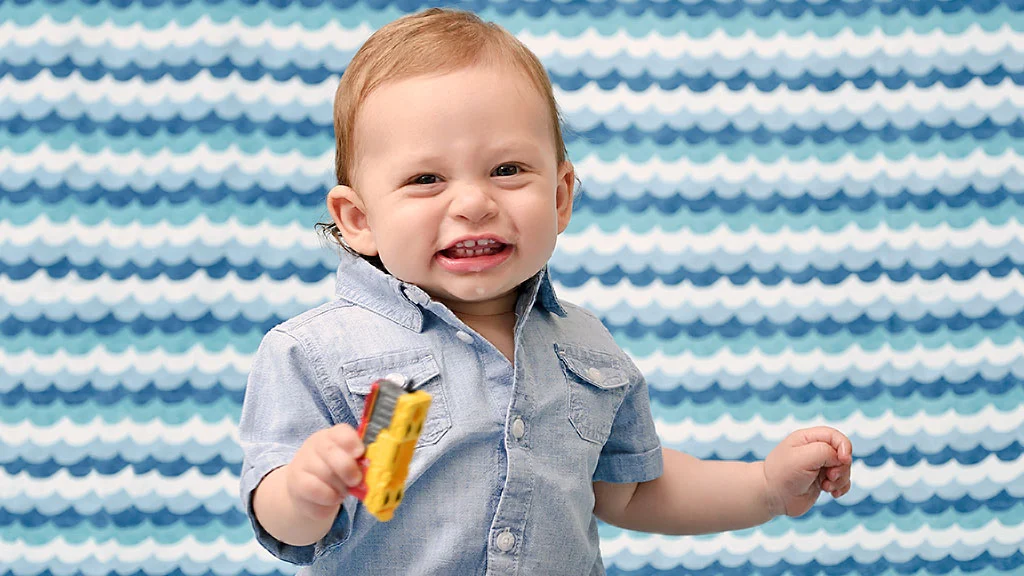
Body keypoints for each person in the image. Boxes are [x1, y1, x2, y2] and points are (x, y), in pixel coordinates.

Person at [238, 8, 854, 574]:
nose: (474, 202)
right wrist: (304, 492)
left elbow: (634, 489)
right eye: (426, 179)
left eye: (507, 170)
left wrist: (765, 488)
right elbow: (279, 519)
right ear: (359, 219)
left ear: (560, 197)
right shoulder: (319, 352)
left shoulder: (583, 345)